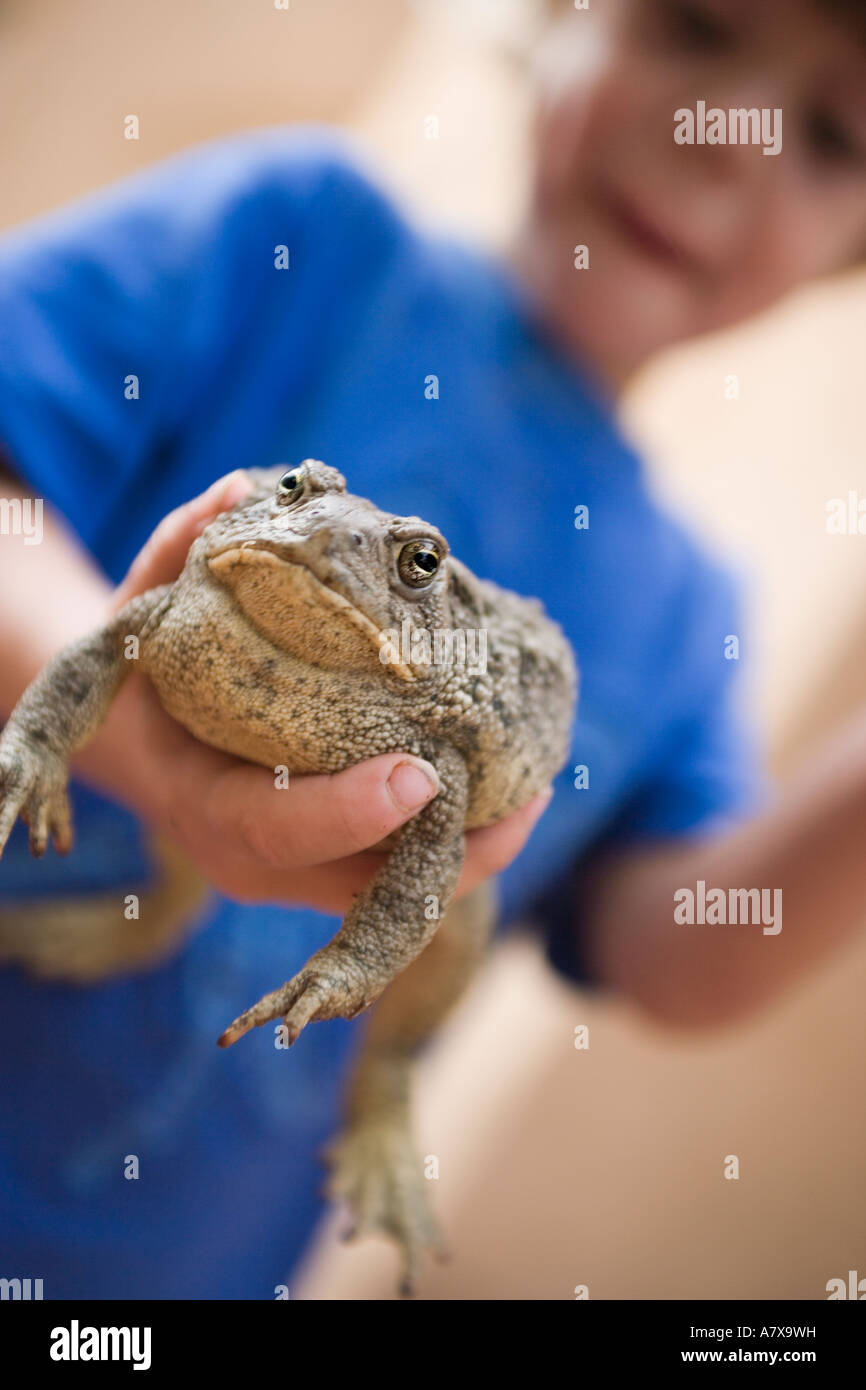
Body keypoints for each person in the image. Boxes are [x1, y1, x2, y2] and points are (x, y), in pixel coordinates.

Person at [1, 0, 865, 1298]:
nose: (721, 136)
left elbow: (676, 941)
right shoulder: (298, 235)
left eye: (826, 135)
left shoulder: (683, 613)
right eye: (692, 29)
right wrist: (139, 749)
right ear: (564, 17)